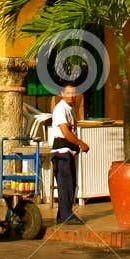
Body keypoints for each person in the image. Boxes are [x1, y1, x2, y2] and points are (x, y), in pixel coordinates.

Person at [50, 84, 89, 226]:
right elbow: (66, 133)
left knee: (70, 184)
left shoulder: (70, 109)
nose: (71, 95)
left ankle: (62, 214)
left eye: (73, 93)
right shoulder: (60, 109)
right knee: (65, 184)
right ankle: (67, 216)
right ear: (62, 93)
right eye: (68, 93)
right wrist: (80, 143)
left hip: (69, 151)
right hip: (61, 152)